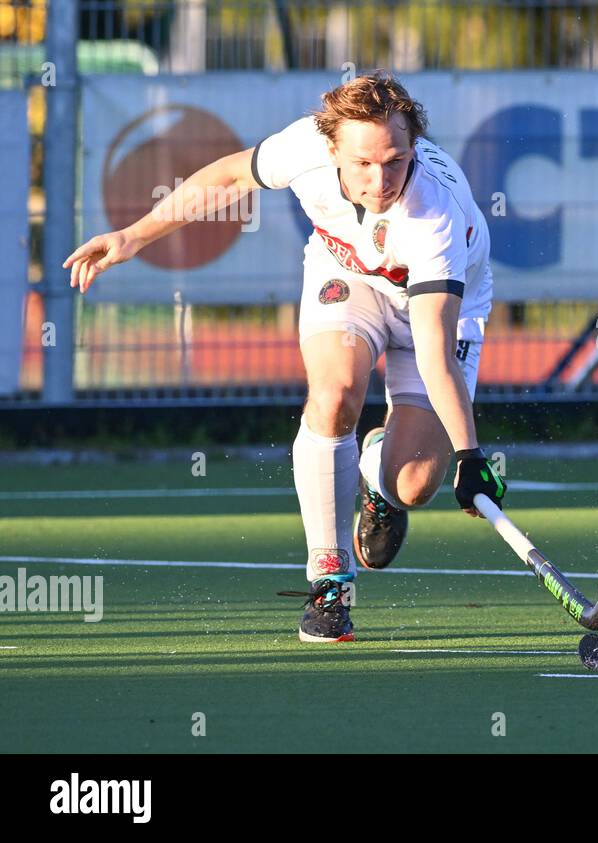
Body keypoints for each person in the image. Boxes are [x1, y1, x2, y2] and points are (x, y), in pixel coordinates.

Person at [63, 73, 505, 643]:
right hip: (347, 279)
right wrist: (135, 236)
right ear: (332, 149)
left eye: (394, 161)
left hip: (440, 310)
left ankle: (377, 474)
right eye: (363, 164)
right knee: (335, 392)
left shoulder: (434, 216)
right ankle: (330, 581)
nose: (379, 181)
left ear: (413, 145)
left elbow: (434, 350)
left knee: (415, 484)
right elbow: (224, 178)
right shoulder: (304, 148)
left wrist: (470, 456)